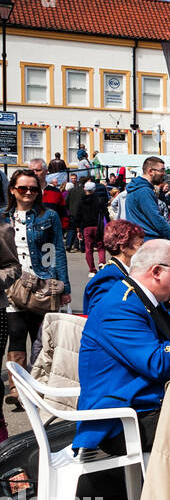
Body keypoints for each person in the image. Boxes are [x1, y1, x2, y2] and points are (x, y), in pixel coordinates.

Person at [73, 240, 170, 455]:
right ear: (156, 271)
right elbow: (156, 363)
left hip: (141, 406)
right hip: (121, 421)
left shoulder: (137, 297)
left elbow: (156, 342)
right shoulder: (121, 306)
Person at [3, 168, 70, 405]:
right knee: (17, 334)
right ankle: (17, 388)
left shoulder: (48, 216)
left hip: (43, 282)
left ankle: (38, 385)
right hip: (13, 285)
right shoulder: (5, 217)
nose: (29, 192)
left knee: (41, 336)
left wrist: (65, 286)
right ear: (13, 190)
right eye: (23, 188)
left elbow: (58, 251)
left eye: (33, 188)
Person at [122, 157, 170, 249]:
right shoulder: (144, 191)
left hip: (139, 241)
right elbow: (157, 219)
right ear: (151, 171)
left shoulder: (136, 188)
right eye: (161, 170)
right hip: (148, 243)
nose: (164, 173)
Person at [83, 220, 146, 315]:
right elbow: (98, 315)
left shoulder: (122, 270)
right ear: (123, 247)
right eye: (139, 245)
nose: (144, 250)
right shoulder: (108, 277)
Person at [75, 179, 109, 274]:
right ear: (94, 189)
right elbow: (105, 213)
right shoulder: (99, 200)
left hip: (86, 227)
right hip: (98, 226)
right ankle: (101, 262)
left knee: (88, 249)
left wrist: (78, 229)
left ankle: (92, 270)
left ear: (85, 189)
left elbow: (78, 216)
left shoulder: (81, 201)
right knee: (101, 246)